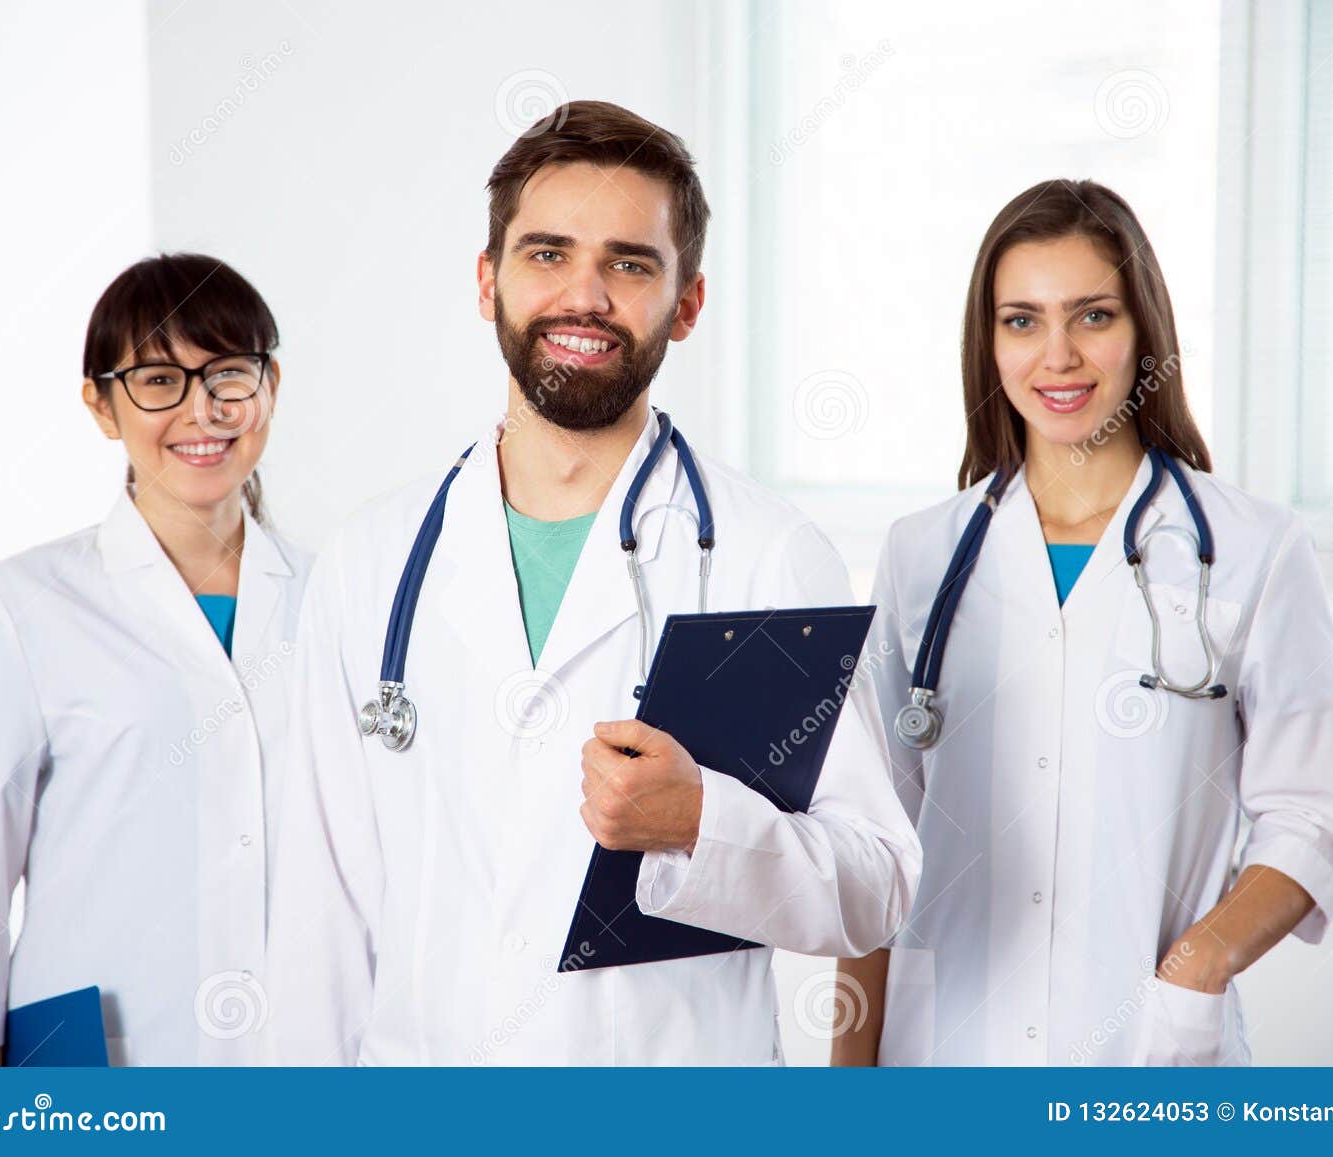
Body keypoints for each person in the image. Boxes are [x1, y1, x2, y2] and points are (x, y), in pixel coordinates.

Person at [265, 100, 921, 1065]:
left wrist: (704, 823)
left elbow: (876, 883)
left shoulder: (767, 555)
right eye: (547, 254)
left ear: (687, 304)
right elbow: (318, 920)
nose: (585, 296)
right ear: (487, 281)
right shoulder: (373, 561)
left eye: (630, 263)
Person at [832, 180, 1333, 1067]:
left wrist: (1200, 963)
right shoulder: (922, 554)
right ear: (988, 343)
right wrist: (843, 1085)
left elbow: (1315, 817)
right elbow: (870, 841)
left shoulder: (1251, 550)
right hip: (943, 1050)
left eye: (1093, 315)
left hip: (1145, 1052)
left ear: (1143, 329)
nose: (1059, 356)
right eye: (1022, 321)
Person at [0, 254, 312, 1066]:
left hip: (295, 1063)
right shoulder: (23, 604)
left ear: (270, 386)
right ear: (101, 404)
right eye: (158, 380)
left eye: (229, 374)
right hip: (94, 1064)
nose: (202, 410)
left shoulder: (335, 599)